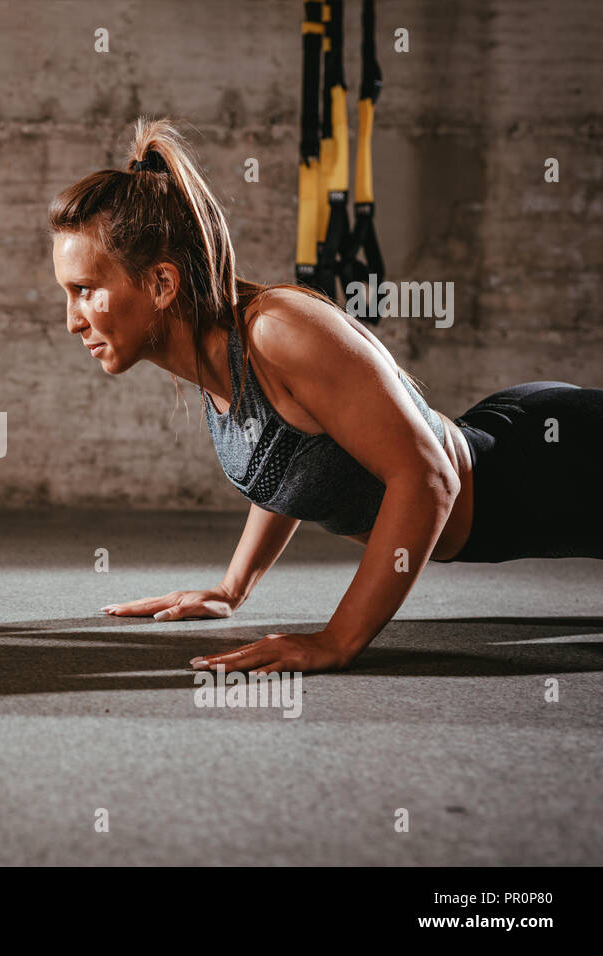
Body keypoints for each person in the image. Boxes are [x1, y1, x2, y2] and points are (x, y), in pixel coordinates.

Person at [49, 116, 602, 675]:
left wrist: (336, 641)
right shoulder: (218, 356)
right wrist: (230, 589)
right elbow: (283, 459)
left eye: (85, 290)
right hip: (518, 453)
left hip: (566, 464)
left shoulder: (278, 331)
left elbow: (429, 478)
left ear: (163, 285)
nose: (72, 321)